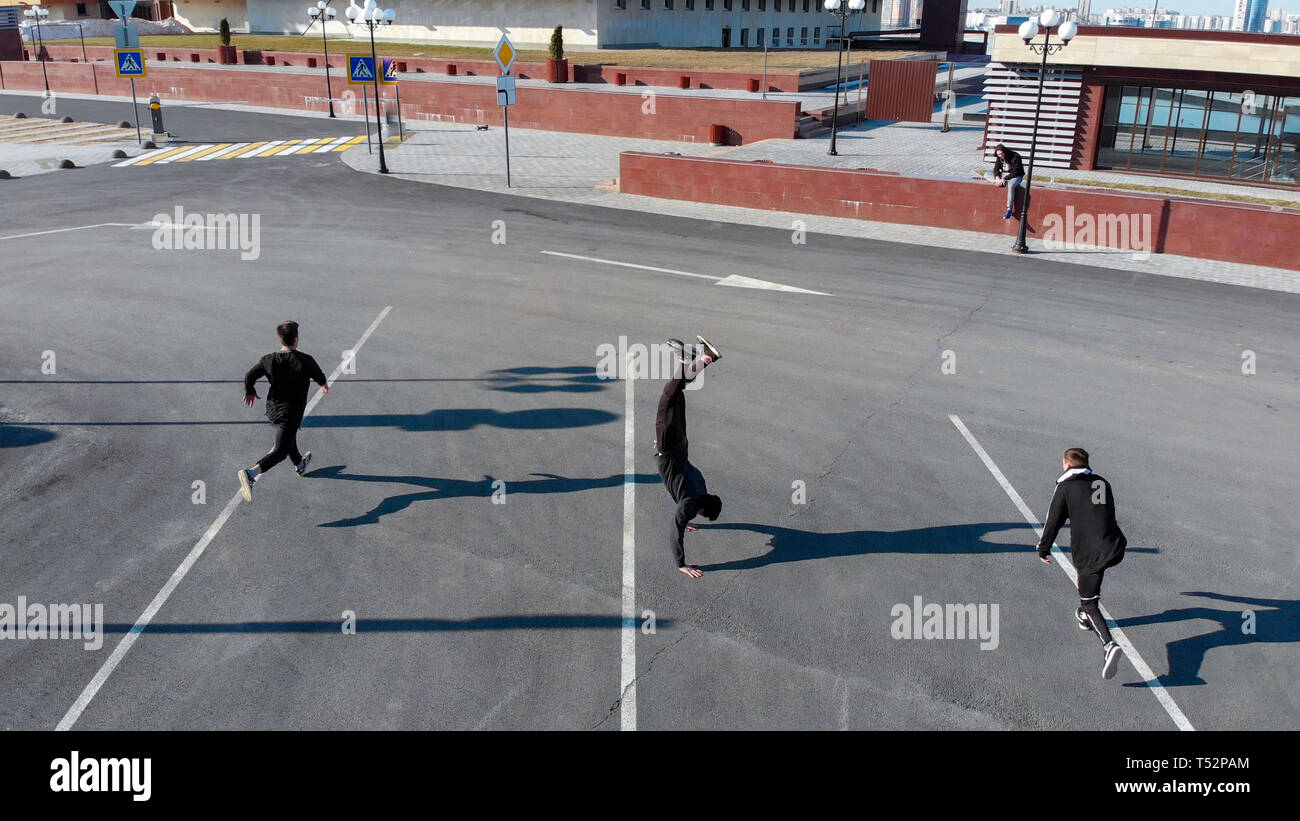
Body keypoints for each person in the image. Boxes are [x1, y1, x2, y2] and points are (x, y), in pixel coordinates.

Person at [1037, 447, 1128, 680]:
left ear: (1066, 465)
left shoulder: (1065, 487)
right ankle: (1085, 617)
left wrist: (1043, 547)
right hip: (1114, 547)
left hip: (1090, 555)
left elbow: (1053, 521)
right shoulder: (1102, 482)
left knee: (1089, 602)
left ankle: (1109, 645)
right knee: (1088, 598)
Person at [237, 321, 329, 502]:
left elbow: (249, 376)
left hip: (273, 410)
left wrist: (250, 391)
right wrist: (324, 385)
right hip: (291, 412)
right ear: (296, 339)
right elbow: (320, 377)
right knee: (280, 450)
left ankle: (299, 464)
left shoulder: (268, 359)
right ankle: (250, 474)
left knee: (289, 437)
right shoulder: (305, 360)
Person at [656, 336, 723, 579]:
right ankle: (706, 358)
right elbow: (676, 529)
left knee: (676, 393)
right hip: (669, 447)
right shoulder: (688, 504)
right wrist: (681, 564)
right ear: (700, 510)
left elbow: (682, 520)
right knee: (667, 397)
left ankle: (689, 360)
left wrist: (687, 519)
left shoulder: (701, 486)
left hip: (682, 443)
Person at [991, 143, 1025, 220]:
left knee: (1011, 185)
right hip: (1003, 177)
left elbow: (1016, 172)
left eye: (1001, 153)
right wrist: (997, 178)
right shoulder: (999, 158)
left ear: (1005, 151)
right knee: (987, 174)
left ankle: (1009, 209)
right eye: (999, 154)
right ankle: (999, 182)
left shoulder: (1015, 156)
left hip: (1016, 176)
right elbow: (996, 169)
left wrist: (1004, 179)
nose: (1000, 155)